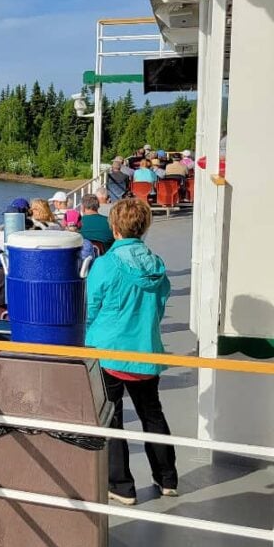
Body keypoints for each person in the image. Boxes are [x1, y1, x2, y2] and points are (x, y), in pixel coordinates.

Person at [85, 198, 176, 505]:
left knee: (112, 417)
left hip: (109, 352)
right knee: (152, 414)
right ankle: (167, 478)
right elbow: (159, 305)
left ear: (114, 227)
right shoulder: (157, 266)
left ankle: (121, 486)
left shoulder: (105, 264)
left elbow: (90, 309)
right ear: (144, 227)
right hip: (146, 351)